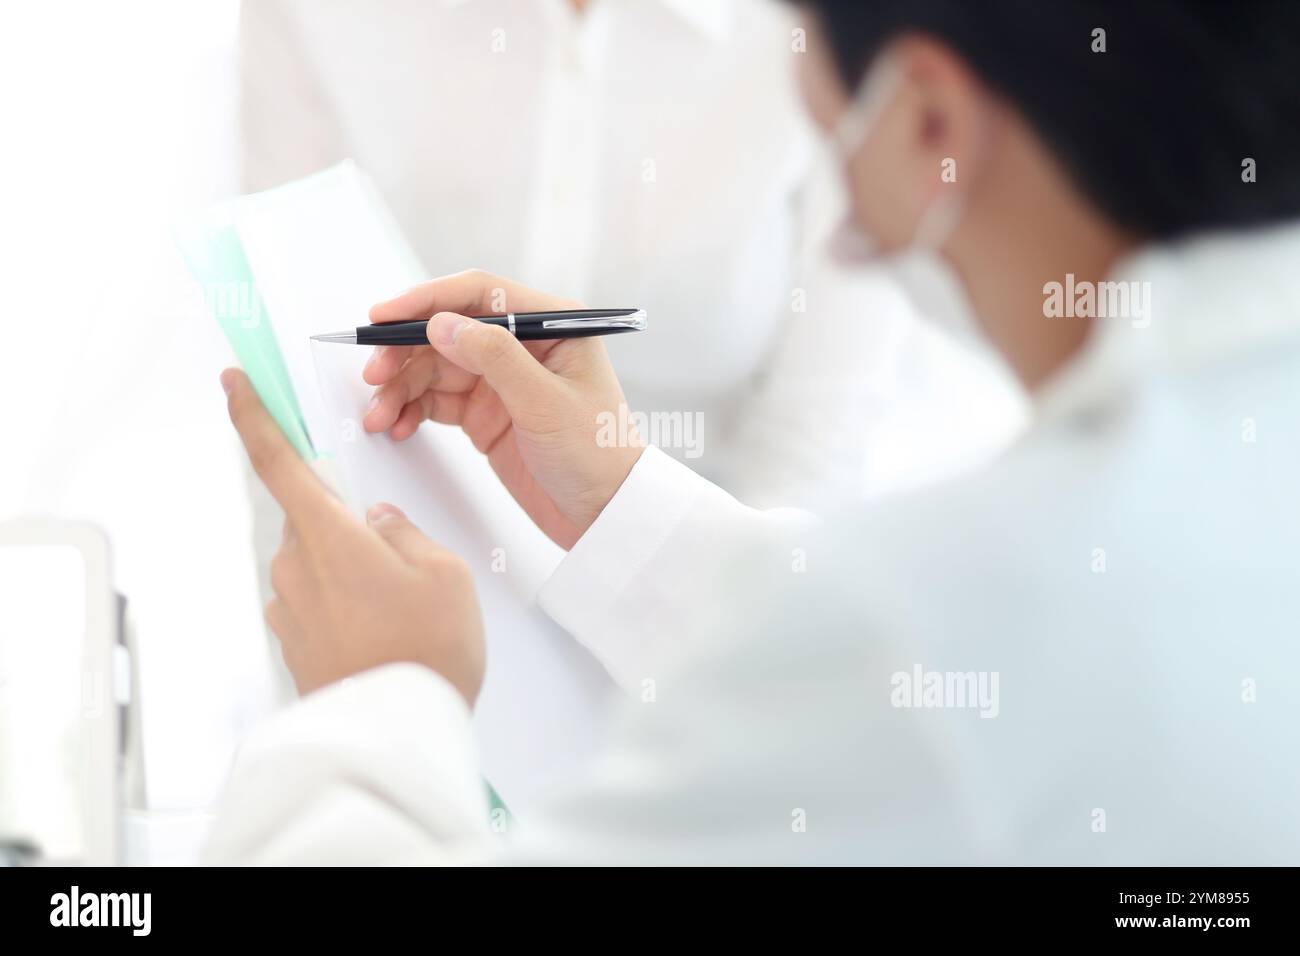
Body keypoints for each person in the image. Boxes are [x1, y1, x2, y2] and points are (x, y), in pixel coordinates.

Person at [206, 0, 1300, 864]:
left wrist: (383, 703)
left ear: (929, 123)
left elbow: (893, 658)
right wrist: (626, 504)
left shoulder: (939, 614)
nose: (850, 229)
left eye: (828, 142)